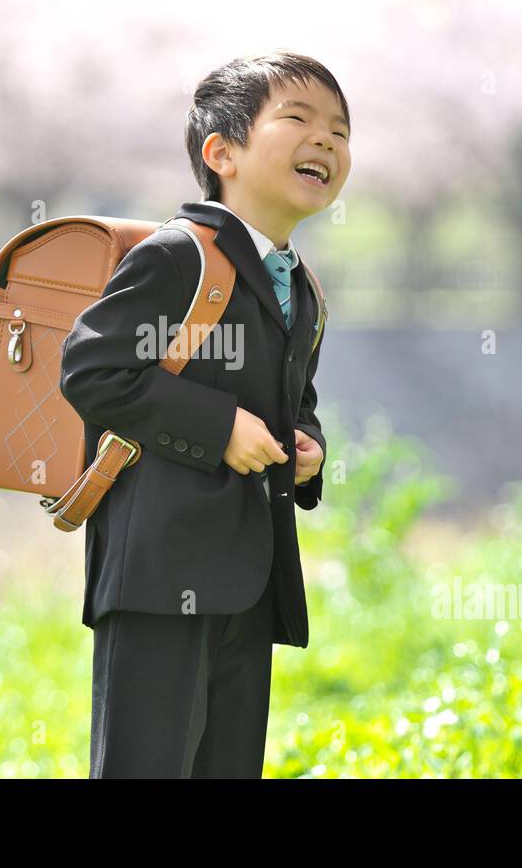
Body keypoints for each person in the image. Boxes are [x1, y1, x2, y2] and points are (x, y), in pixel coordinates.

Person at [58, 50, 352, 778]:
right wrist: (221, 430)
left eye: (341, 131)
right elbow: (93, 369)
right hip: (158, 579)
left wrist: (307, 448)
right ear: (222, 151)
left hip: (248, 585)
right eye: (298, 120)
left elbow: (296, 405)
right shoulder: (177, 257)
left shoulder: (301, 286)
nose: (326, 142)